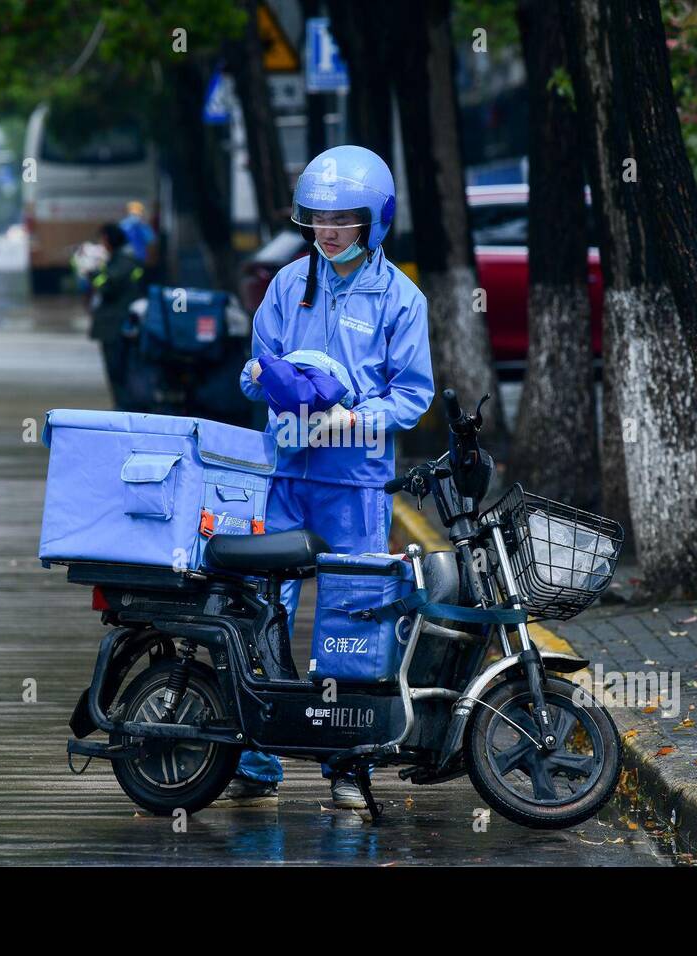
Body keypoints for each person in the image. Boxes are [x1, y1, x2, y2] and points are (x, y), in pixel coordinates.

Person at [223, 145, 434, 808]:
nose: (330, 230)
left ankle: (347, 763)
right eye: (319, 217)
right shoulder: (288, 286)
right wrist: (268, 381)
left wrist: (355, 420)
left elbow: (412, 394)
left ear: (375, 220)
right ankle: (258, 755)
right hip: (285, 474)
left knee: (351, 615)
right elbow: (251, 371)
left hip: (355, 481)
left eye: (344, 217)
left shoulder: (402, 298)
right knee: (265, 608)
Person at [88, 223, 145, 408]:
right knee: (117, 371)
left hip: (116, 326)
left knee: (118, 370)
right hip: (115, 325)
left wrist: (91, 272)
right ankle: (122, 406)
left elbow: (107, 286)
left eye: (102, 239)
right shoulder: (120, 259)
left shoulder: (123, 261)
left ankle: (124, 407)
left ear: (108, 239)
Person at [119, 200, 157, 268]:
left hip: (131, 257)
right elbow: (151, 240)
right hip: (133, 257)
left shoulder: (123, 224)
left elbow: (151, 240)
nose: (134, 217)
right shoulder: (124, 225)